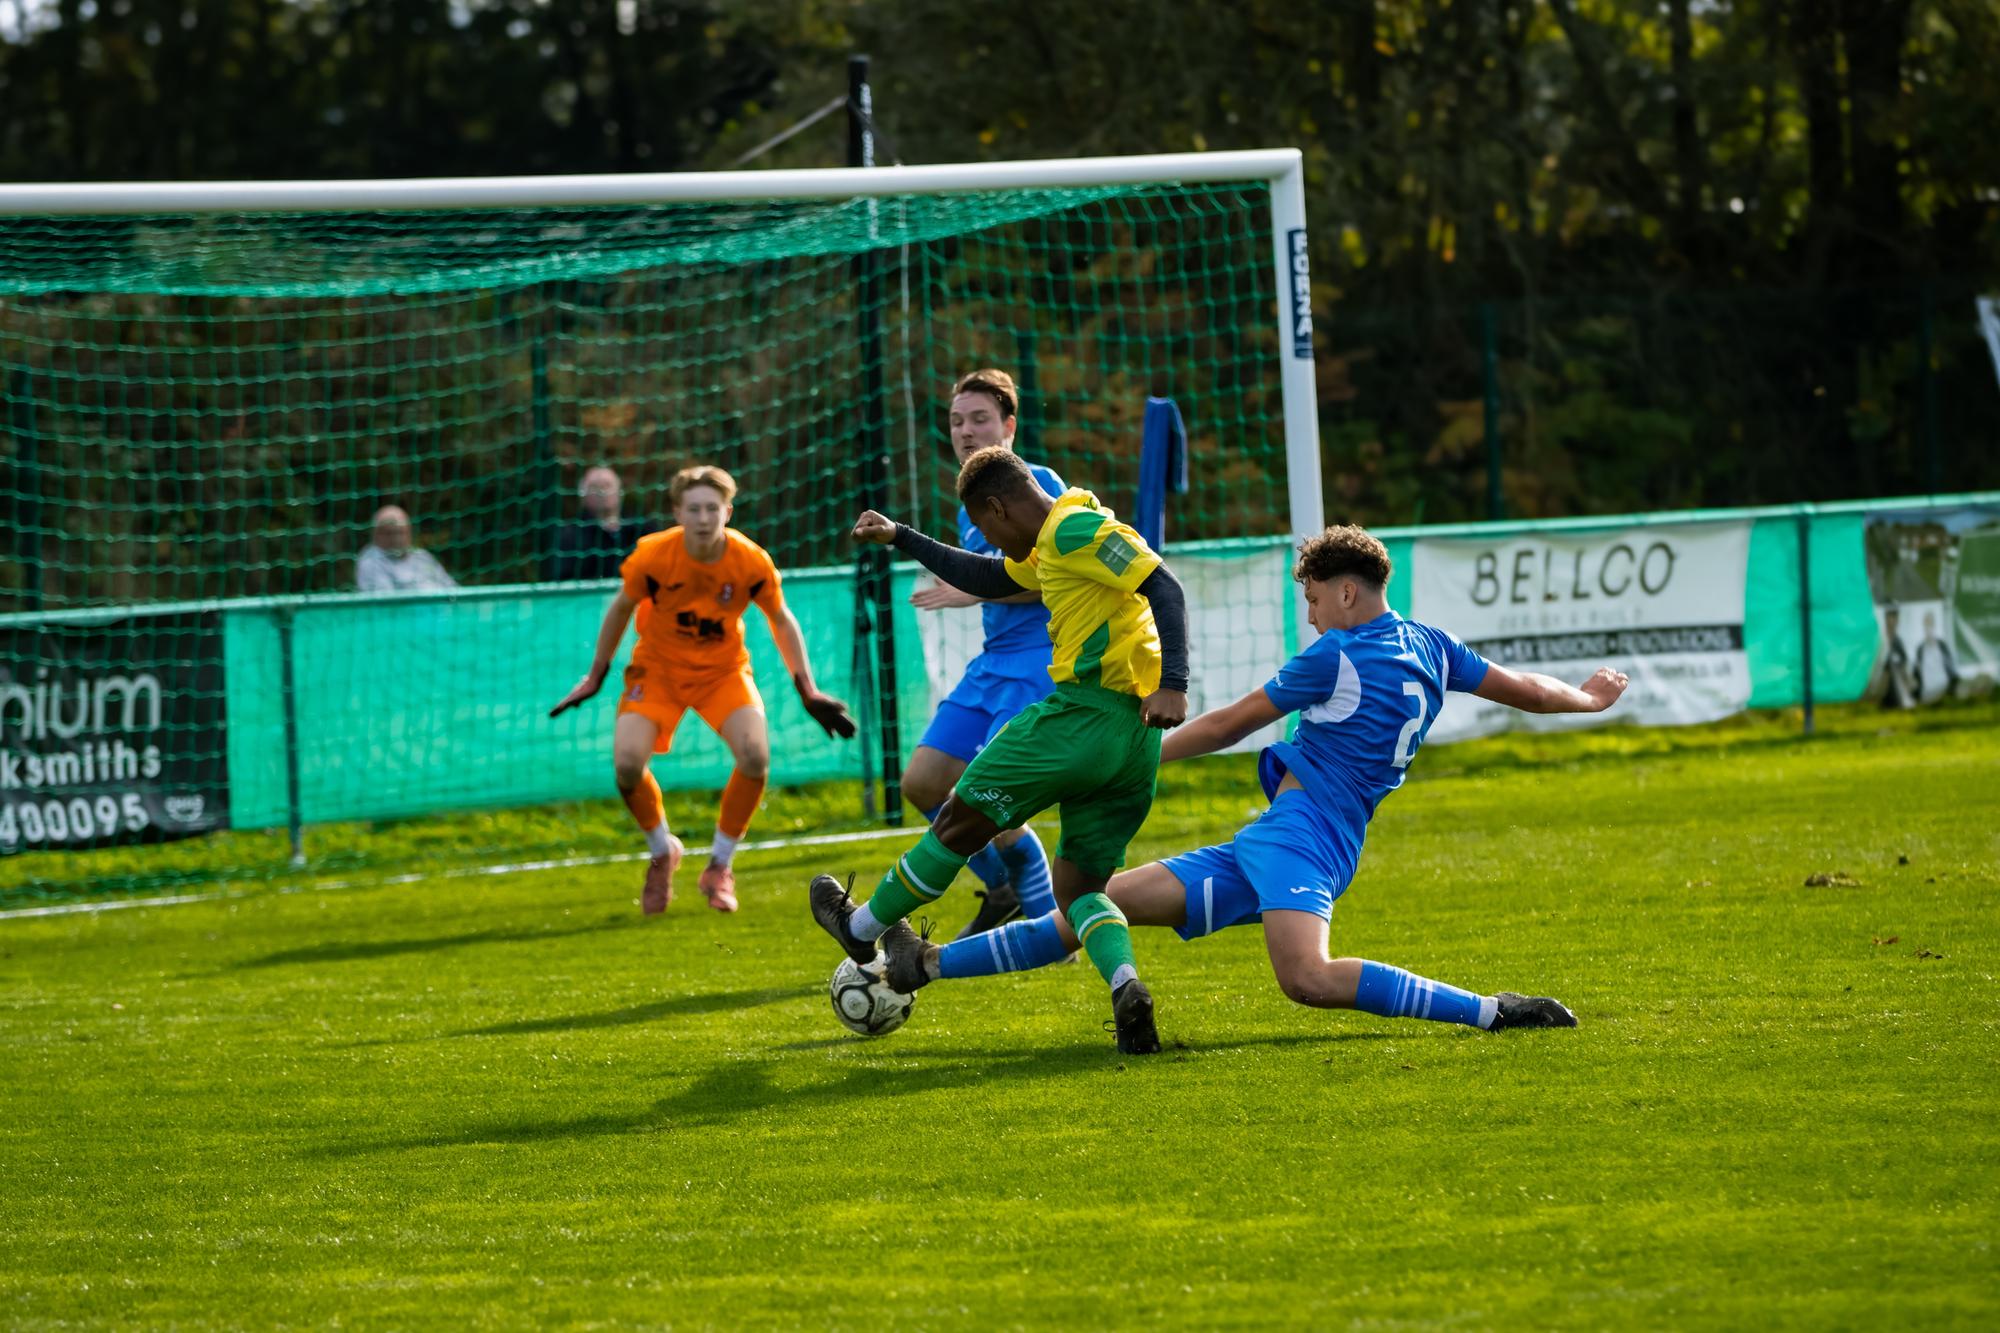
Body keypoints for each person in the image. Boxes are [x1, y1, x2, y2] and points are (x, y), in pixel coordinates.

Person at [876, 525, 1631, 1044]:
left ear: (1344, 592)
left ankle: (1493, 1012)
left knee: (1306, 976)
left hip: (1305, 840)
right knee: (1092, 906)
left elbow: (1227, 724)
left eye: (1310, 598)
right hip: (1284, 838)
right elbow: (1528, 688)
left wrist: (1127, 757)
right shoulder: (1431, 645)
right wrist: (1588, 697)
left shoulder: (1335, 657)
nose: (1309, 613)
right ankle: (925, 964)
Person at [810, 446, 1191, 1054]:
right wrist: (901, 537)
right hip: (1134, 743)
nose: (986, 541)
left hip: (1082, 715)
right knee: (1079, 895)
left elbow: (1163, 585)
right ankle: (1126, 986)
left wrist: (1176, 682)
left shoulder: (1077, 528)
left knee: (959, 817)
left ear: (996, 508)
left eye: (985, 529)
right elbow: (986, 577)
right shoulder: (1052, 541)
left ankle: (860, 930)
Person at [550, 465, 856, 916]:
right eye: (693, 508)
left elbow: (781, 619)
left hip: (723, 672)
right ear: (677, 513)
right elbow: (620, 610)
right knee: (627, 767)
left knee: (755, 756)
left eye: (712, 508)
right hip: (657, 671)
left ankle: (719, 866)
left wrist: (807, 690)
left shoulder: (750, 560)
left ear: (727, 512)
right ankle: (662, 851)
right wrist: (595, 675)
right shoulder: (654, 556)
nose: (703, 517)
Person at [906, 369, 1065, 941]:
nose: (966, 431)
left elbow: (1060, 574)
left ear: (1009, 426)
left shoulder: (1038, 484)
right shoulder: (967, 501)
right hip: (992, 662)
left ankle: (1051, 929)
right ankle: (1000, 887)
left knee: (990, 801)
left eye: (980, 419)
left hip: (1038, 661)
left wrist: (973, 588)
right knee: (922, 784)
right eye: (956, 421)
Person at [546, 466, 656, 581]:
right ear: (582, 495)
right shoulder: (570, 535)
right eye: (595, 487)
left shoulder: (643, 528)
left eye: (607, 485)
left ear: (620, 490)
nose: (602, 492)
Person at [355, 505, 457, 592]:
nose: (397, 538)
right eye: (390, 533)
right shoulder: (371, 561)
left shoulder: (422, 556)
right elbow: (386, 605)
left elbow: (452, 588)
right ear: (376, 534)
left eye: (401, 532)